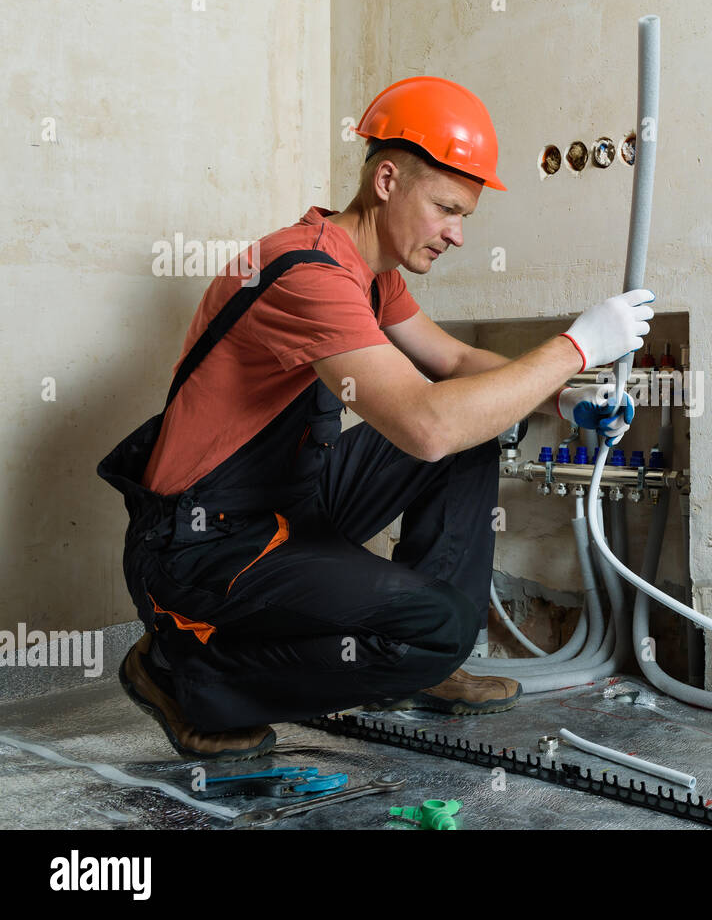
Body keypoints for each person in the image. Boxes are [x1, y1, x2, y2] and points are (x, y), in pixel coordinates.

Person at [97, 76, 655, 760]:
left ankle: (427, 664)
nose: (456, 234)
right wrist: (575, 346)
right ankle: (185, 675)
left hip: (283, 504)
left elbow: (452, 364)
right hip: (202, 543)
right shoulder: (305, 272)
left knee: (475, 433)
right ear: (387, 179)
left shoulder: (368, 269)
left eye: (466, 217)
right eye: (447, 208)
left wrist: (567, 396)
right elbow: (426, 423)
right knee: (439, 602)